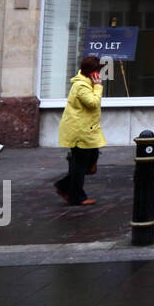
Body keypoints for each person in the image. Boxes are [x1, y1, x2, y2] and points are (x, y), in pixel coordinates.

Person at [55, 55, 105, 206]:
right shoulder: (81, 86)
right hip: (79, 131)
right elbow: (92, 103)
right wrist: (98, 86)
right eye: (98, 71)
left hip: (87, 130)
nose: (100, 75)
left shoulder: (86, 83)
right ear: (92, 72)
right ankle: (76, 196)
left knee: (90, 159)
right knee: (80, 164)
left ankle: (64, 187)